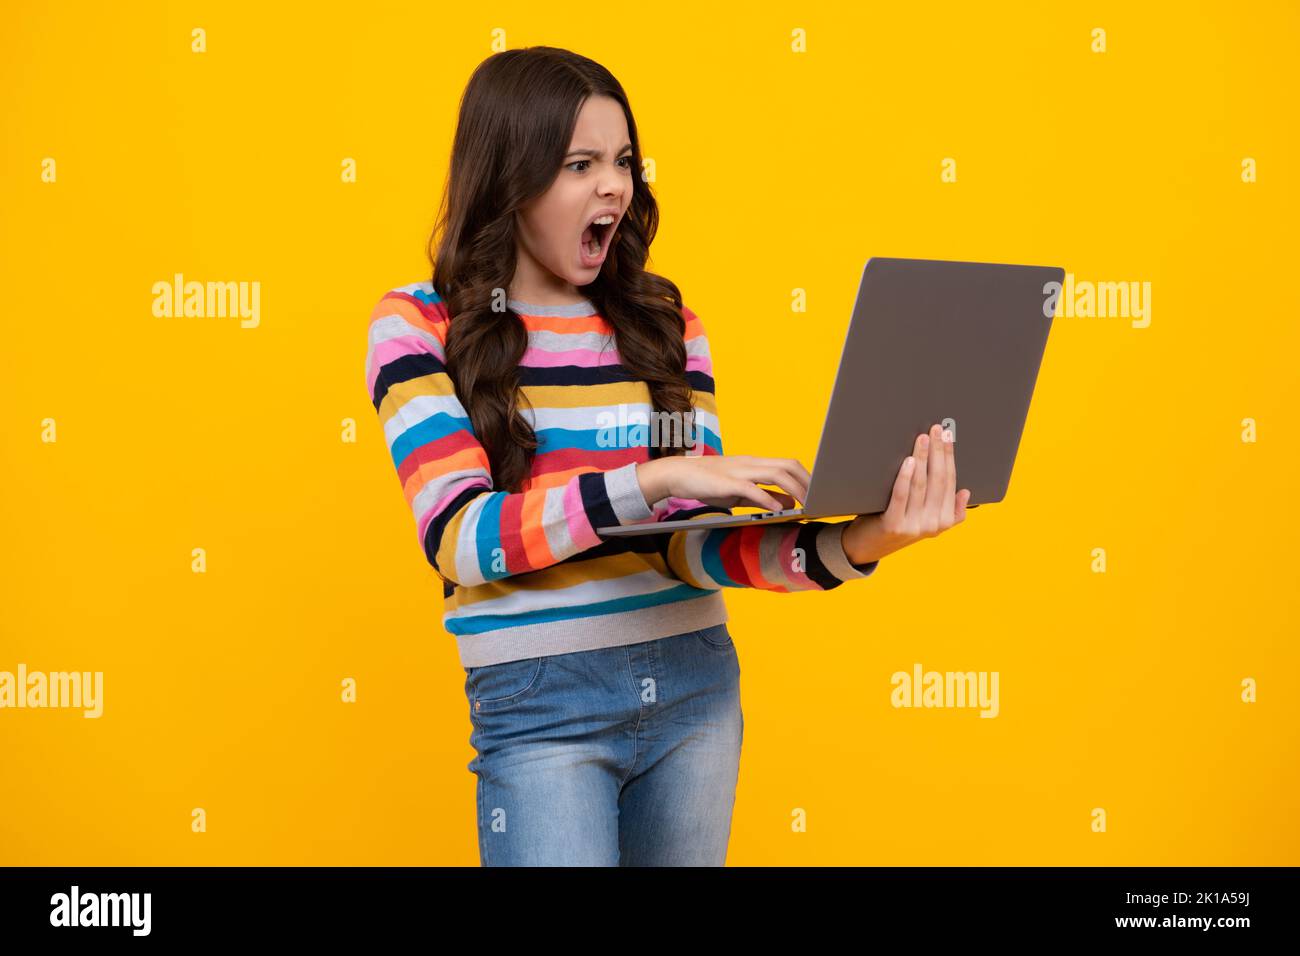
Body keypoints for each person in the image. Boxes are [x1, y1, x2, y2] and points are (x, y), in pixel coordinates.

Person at [363, 46, 970, 866]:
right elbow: (464, 541)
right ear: (510, 178)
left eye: (621, 162)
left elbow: (693, 546)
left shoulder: (665, 323)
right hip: (541, 710)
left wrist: (869, 538)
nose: (613, 185)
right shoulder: (417, 325)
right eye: (578, 164)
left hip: (695, 692)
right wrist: (651, 479)